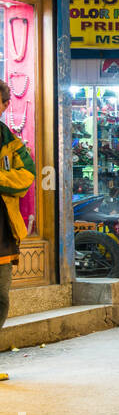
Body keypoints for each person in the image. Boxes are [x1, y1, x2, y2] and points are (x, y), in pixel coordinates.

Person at [0, 80, 36, 381]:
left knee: (1, 298)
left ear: (5, 105)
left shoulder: (7, 137)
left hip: (3, 231)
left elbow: (27, 173)